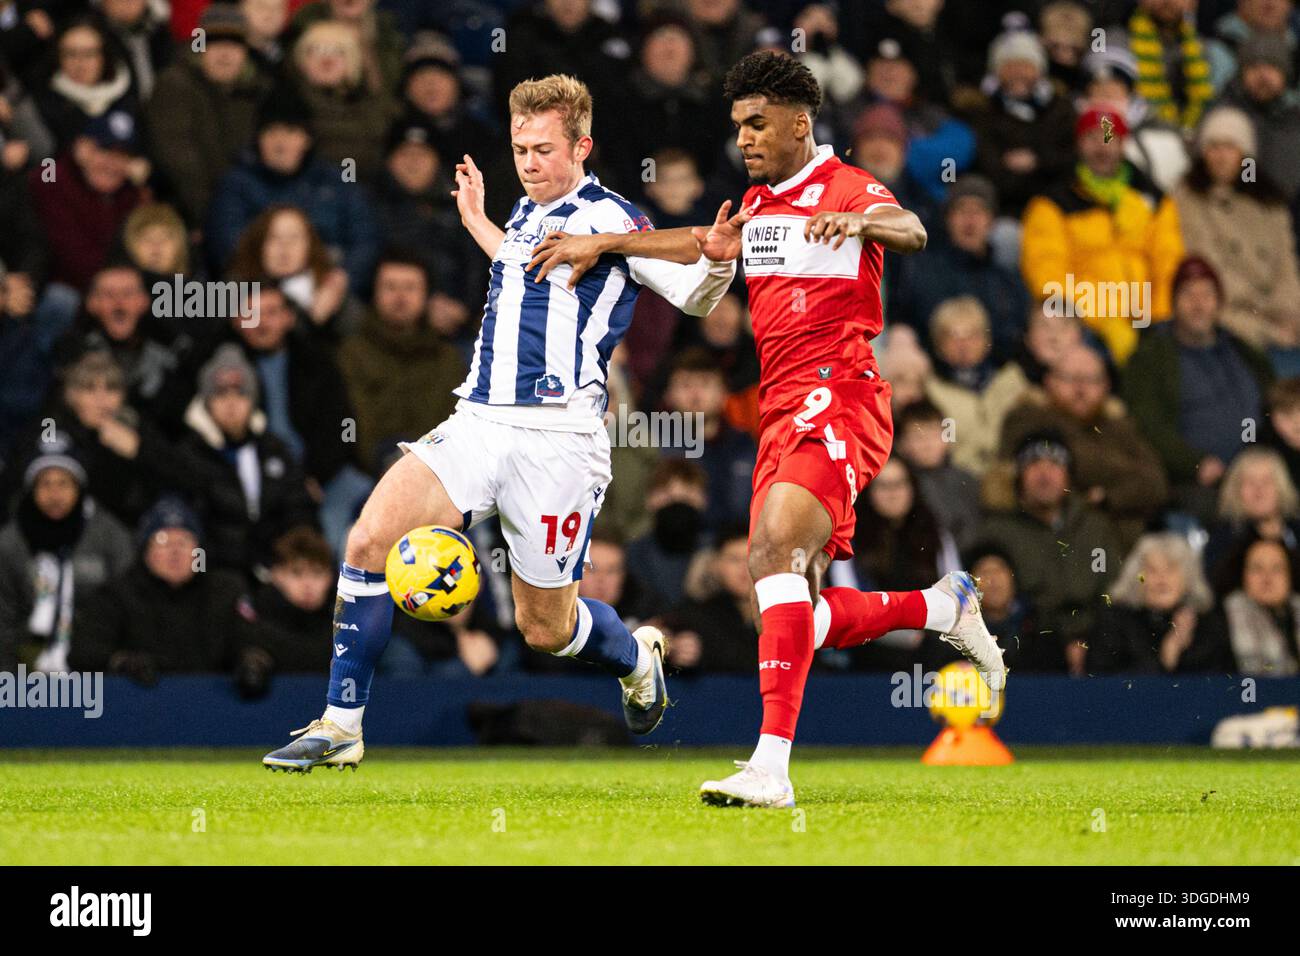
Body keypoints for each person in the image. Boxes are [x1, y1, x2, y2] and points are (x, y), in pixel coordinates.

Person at [530, 52, 1005, 809]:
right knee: (797, 609)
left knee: (770, 553)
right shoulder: (758, 203)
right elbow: (698, 243)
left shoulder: (846, 185)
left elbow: (911, 226)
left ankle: (769, 769)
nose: (745, 138)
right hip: (781, 410)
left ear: (799, 122)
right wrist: (608, 244)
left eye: (757, 123)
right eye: (738, 126)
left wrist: (862, 219)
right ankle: (941, 607)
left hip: (840, 397)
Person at [262, 74, 737, 772]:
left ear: (583, 145)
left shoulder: (619, 221)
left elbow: (695, 296)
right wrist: (480, 223)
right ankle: (341, 725)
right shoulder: (522, 212)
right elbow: (524, 274)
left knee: (546, 629)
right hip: (478, 420)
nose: (529, 163)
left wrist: (718, 265)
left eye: (543, 149)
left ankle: (637, 658)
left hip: (560, 443)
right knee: (367, 540)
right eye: (519, 149)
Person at [0, 448, 132, 673]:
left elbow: (131, 601)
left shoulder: (110, 535)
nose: (54, 494)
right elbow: (4, 618)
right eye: (45, 484)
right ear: (31, 490)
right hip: (29, 666)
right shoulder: (10, 542)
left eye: (63, 483)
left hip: (101, 665)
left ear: (78, 489)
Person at [1094, 531, 1232, 673]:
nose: (1161, 579)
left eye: (1170, 570)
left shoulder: (1208, 619)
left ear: (1189, 577)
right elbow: (1103, 685)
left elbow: (1223, 682)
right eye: (1152, 570)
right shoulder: (1115, 619)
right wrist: (1166, 657)